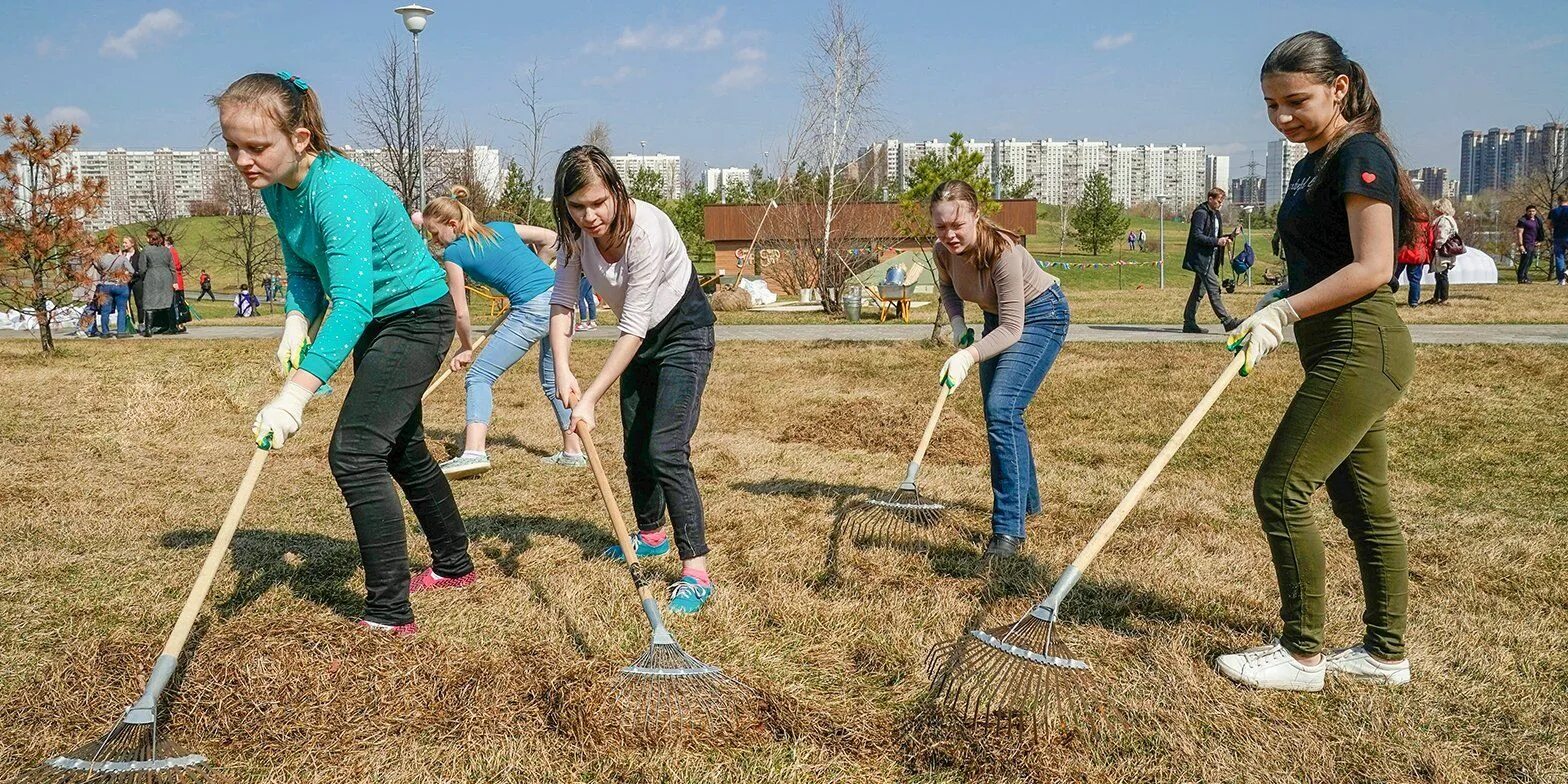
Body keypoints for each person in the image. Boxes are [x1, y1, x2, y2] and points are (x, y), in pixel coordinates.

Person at [216, 70, 476, 636]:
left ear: (301, 139)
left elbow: (353, 304)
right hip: (379, 321)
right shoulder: (281, 189)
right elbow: (306, 269)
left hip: (413, 316)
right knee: (402, 448)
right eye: (233, 145)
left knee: (356, 452)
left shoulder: (338, 193)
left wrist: (295, 395)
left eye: (257, 147)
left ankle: (389, 610)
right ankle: (454, 564)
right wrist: (293, 319)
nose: (243, 160)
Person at [1217, 31, 1418, 692]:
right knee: (1361, 504)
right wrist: (1276, 298)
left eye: (1295, 101)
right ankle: (1385, 656)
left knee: (1280, 488)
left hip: (1361, 343)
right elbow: (1322, 260)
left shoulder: (1359, 153)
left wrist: (1285, 313)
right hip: (1330, 343)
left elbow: (1373, 266)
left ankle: (1302, 655)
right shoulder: (1309, 163)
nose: (1281, 117)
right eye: (1271, 105)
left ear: (1338, 88)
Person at [546, 145, 718, 614]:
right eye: (577, 206)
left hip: (682, 331)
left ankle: (696, 570)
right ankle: (651, 536)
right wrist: (563, 369)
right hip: (639, 338)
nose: (590, 215)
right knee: (635, 444)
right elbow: (562, 301)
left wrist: (591, 397)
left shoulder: (646, 230)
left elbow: (634, 326)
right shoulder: (574, 236)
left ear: (616, 192)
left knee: (665, 447)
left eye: (598, 203)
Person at [931, 179, 1069, 558]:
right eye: (941, 227)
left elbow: (1013, 328)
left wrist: (968, 356)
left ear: (975, 216)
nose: (949, 234)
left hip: (1042, 315)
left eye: (957, 225)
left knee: (1002, 408)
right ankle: (1028, 504)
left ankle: (1008, 530)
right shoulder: (943, 251)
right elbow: (947, 287)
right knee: (1002, 415)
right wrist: (958, 325)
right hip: (997, 320)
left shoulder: (1002, 252)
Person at [421, 186, 586, 478]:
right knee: (554, 381)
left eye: (435, 234)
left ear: (452, 225)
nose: (435, 242)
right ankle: (573, 451)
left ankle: (473, 453)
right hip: (561, 299)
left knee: (479, 376)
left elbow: (460, 310)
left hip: (533, 308)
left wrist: (465, 346)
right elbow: (552, 238)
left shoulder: (455, 252)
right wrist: (539, 265)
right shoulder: (499, 228)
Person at [1182, 187, 1242, 333]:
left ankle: (1189, 323)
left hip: (1211, 258)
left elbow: (1215, 236)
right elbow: (1197, 236)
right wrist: (1217, 241)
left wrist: (1231, 236)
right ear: (1210, 199)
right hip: (1202, 258)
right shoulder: (1201, 213)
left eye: (1222, 202)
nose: (1220, 204)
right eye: (1218, 201)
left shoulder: (1215, 214)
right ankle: (1227, 321)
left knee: (1199, 291)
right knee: (1214, 287)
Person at [135, 229, 178, 335]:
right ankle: (172, 327)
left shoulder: (146, 250)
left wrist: (143, 276)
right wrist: (174, 281)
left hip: (152, 276)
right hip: (166, 277)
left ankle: (148, 329)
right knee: (168, 302)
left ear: (151, 238)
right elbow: (172, 267)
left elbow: (142, 268)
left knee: (149, 302)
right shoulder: (166, 250)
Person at [93, 235, 135, 338]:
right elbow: (132, 271)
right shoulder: (122, 258)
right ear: (117, 249)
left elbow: (96, 265)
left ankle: (105, 332)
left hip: (106, 285)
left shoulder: (101, 258)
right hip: (120, 285)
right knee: (121, 309)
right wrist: (125, 276)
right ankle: (121, 331)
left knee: (105, 310)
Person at [1388, 213, 1431, 307]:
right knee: (1415, 280)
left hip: (1403, 252)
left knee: (1393, 276)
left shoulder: (1404, 220)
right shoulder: (1425, 222)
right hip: (1418, 254)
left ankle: (1387, 297)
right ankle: (1413, 302)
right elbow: (1430, 239)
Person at [1427, 198, 1458, 305]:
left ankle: (1443, 297)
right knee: (1440, 274)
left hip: (1442, 251)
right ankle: (1437, 296)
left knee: (1442, 274)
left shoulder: (1443, 221)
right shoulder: (1450, 219)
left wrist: (1437, 245)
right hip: (1447, 250)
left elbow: (1442, 235)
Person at [1515, 205, 1545, 284]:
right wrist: (1521, 245)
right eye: (1529, 211)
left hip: (1533, 243)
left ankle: (1525, 276)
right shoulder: (1523, 220)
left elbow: (1540, 231)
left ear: (1535, 212)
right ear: (1526, 212)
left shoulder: (1537, 220)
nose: (1531, 213)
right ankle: (1521, 278)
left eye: (1533, 211)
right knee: (1524, 260)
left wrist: (1539, 241)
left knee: (1530, 261)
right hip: (1526, 243)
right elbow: (1519, 233)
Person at [1550, 194, 1568, 286]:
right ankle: (1567, 272)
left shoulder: (1554, 211)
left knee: (1559, 257)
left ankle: (1561, 280)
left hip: (1558, 236)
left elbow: (1550, 224)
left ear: (1559, 201)